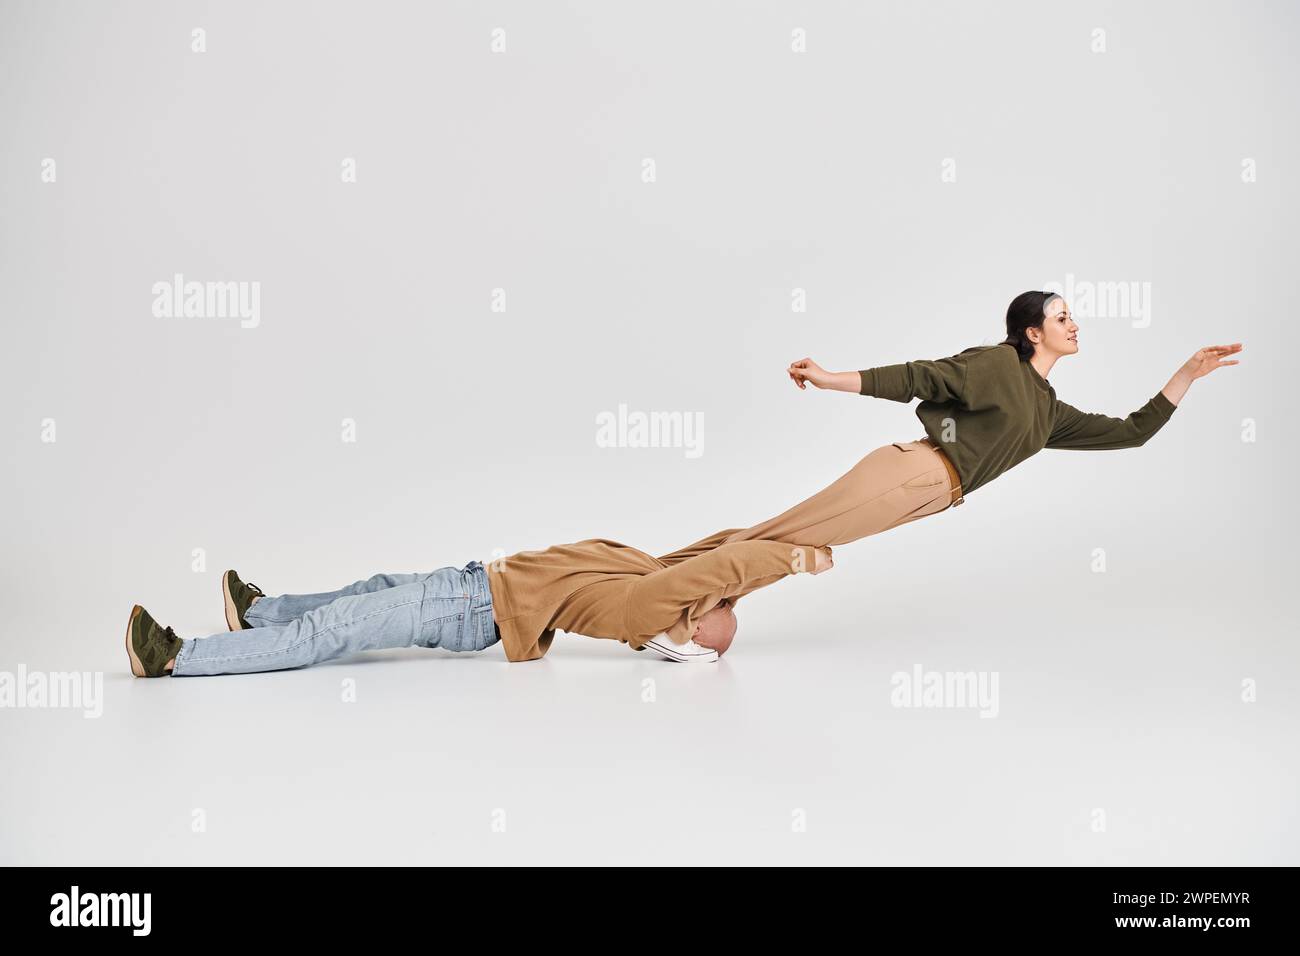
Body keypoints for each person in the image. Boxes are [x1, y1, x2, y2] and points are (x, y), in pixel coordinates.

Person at [668, 291, 1240, 558]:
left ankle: (670, 588)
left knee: (793, 544)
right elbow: (919, 376)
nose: (1075, 324)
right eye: (1062, 317)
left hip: (933, 492)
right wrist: (829, 377)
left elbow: (1130, 432)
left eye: (1073, 316)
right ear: (1033, 332)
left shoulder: (1048, 413)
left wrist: (1187, 374)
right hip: (914, 471)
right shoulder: (996, 364)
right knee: (793, 542)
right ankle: (664, 606)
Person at [124, 538, 835, 678]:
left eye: (720, 612)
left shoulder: (644, 609)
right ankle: (259, 613)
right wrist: (784, 544)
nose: (720, 597)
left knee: (330, 634)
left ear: (694, 629)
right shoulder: (656, 572)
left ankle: (176, 657)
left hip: (467, 608)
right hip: (471, 581)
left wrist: (802, 560)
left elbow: (722, 567)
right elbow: (724, 552)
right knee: (365, 591)